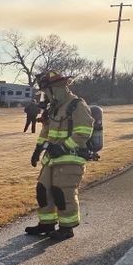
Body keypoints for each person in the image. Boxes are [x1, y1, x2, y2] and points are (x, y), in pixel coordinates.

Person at [26, 72, 95, 240]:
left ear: (55, 89)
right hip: (52, 158)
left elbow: (84, 131)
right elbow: (46, 131)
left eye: (46, 92)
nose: (45, 96)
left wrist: (64, 147)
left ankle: (67, 227)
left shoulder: (77, 105)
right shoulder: (54, 108)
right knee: (43, 190)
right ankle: (47, 224)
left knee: (62, 191)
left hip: (71, 157)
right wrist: (38, 149)